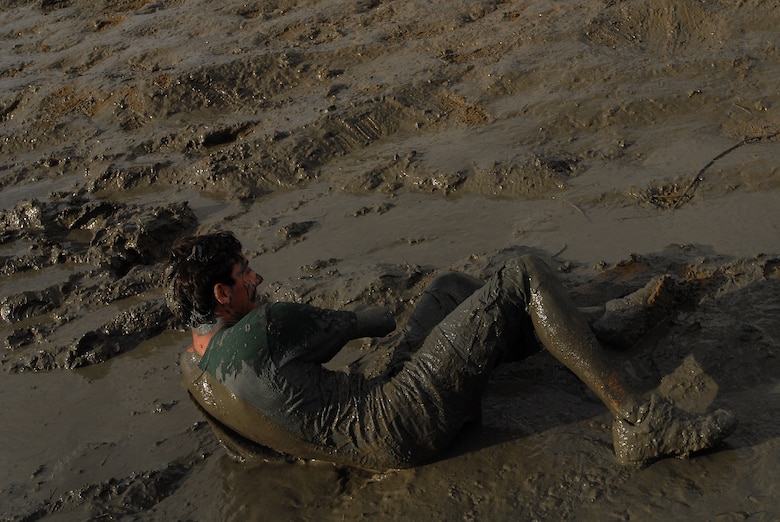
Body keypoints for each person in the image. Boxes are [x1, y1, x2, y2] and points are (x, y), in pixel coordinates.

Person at [165, 231, 736, 470]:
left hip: (357, 439)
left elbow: (247, 447)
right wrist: (306, 318)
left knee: (450, 291)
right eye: (245, 275)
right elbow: (371, 319)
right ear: (221, 294)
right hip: (401, 419)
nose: (256, 279)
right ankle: (637, 418)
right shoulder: (265, 327)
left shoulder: (193, 369)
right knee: (523, 273)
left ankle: (596, 328)